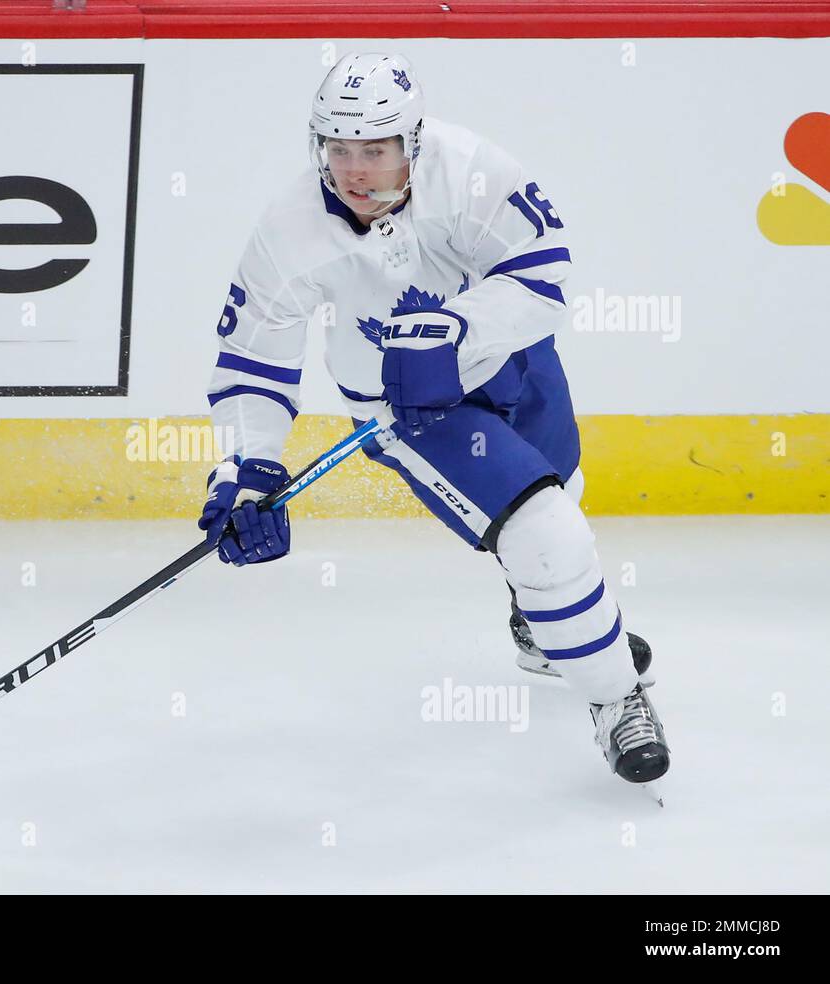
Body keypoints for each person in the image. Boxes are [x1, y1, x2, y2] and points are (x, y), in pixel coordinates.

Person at [198, 52, 669, 786]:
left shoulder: (473, 172)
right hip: (411, 409)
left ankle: (539, 626)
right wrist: (248, 464)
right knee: (547, 532)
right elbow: (251, 361)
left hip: (513, 360)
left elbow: (545, 269)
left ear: (412, 143)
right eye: (339, 148)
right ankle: (618, 701)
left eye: (375, 150)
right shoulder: (289, 230)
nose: (355, 169)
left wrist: (452, 330)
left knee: (562, 489)